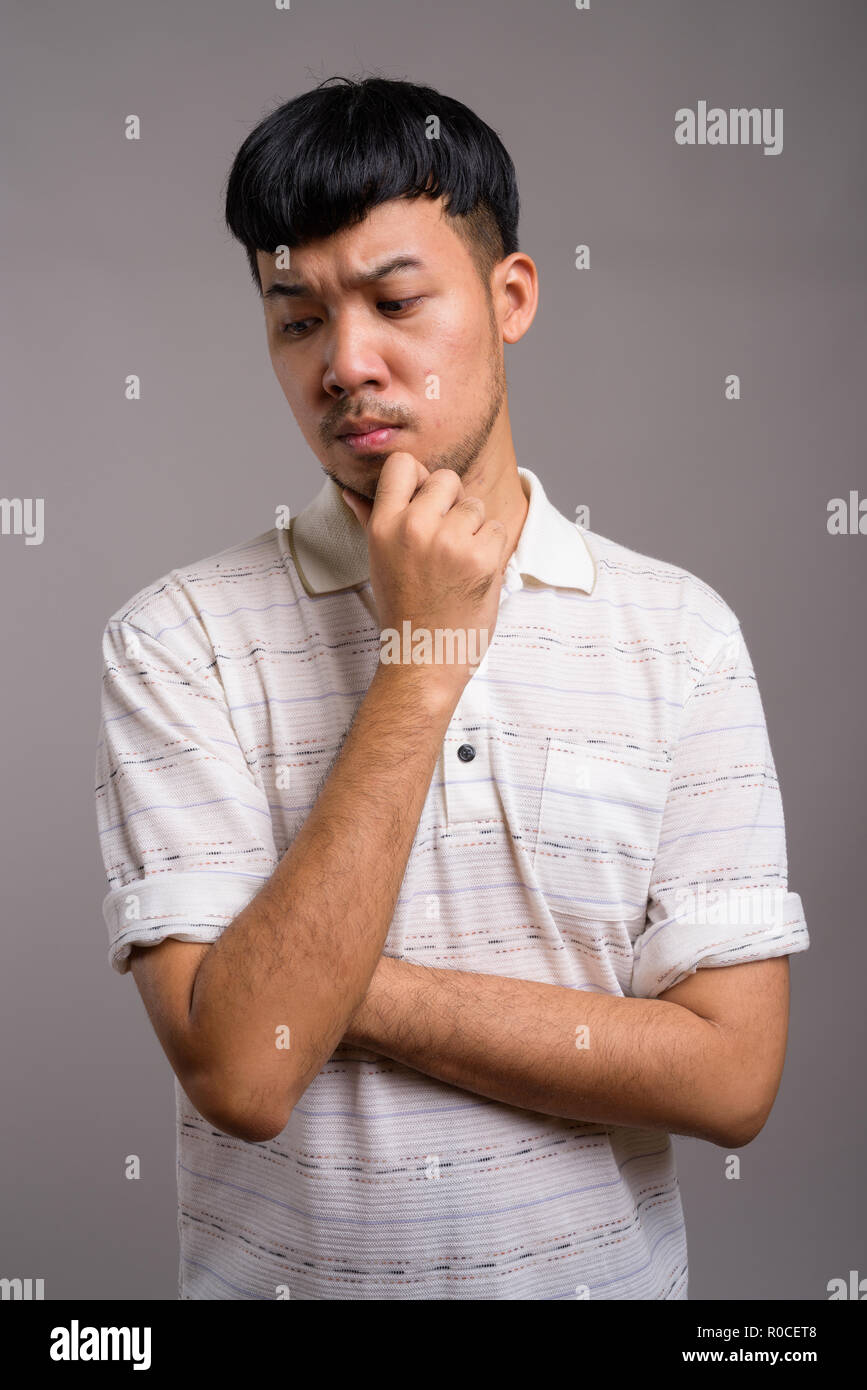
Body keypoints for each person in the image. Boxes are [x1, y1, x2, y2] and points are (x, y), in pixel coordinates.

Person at [93, 75, 809, 1300]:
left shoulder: (680, 634)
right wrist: (421, 663)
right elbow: (251, 1076)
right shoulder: (178, 641)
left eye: (395, 300)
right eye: (296, 317)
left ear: (510, 295)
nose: (345, 362)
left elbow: (732, 1081)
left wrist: (319, 987)